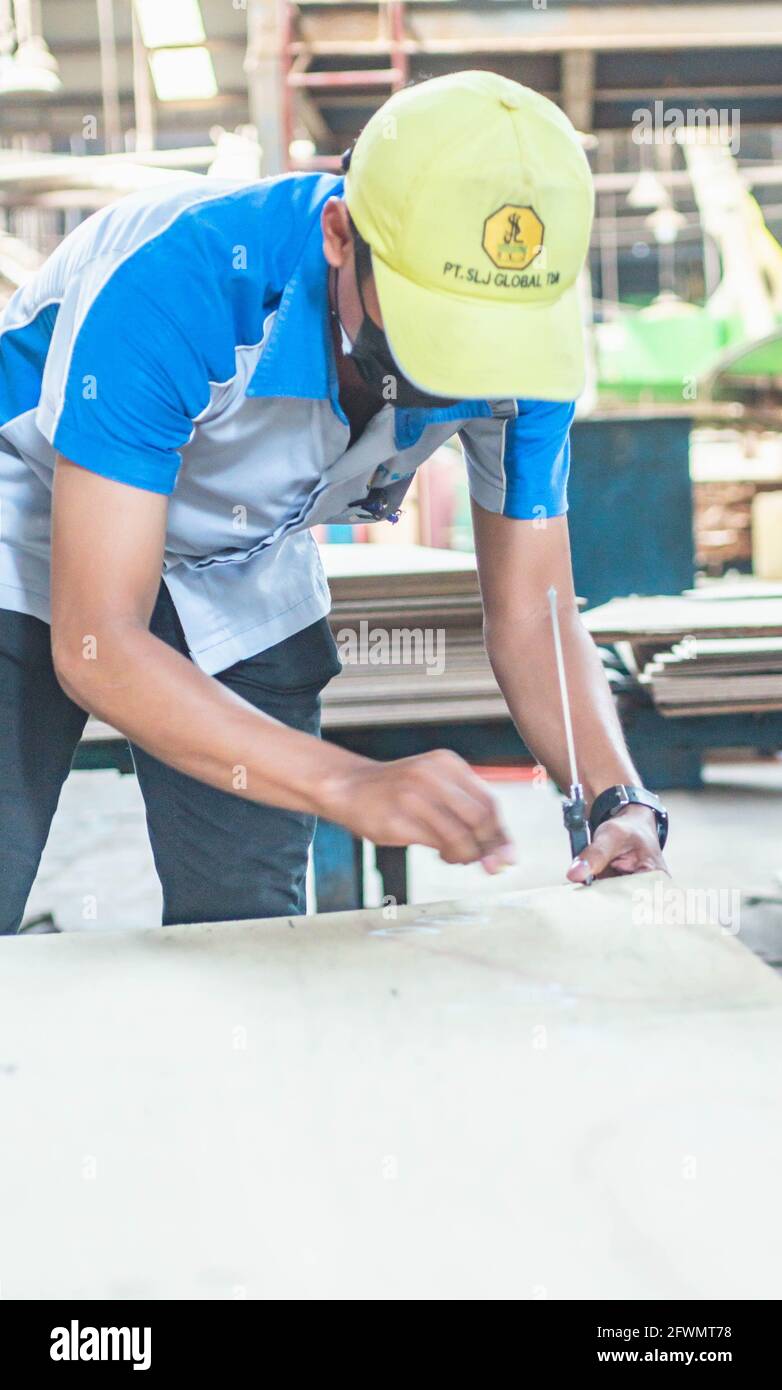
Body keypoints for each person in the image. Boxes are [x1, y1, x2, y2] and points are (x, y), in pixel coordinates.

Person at [0, 70, 667, 934]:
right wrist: (348, 780)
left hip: (245, 557)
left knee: (249, 936)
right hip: (33, 521)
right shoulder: (182, 281)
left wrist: (617, 795)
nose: (463, 371)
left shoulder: (523, 352)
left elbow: (536, 613)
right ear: (339, 235)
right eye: (435, 323)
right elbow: (99, 644)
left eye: (486, 334)